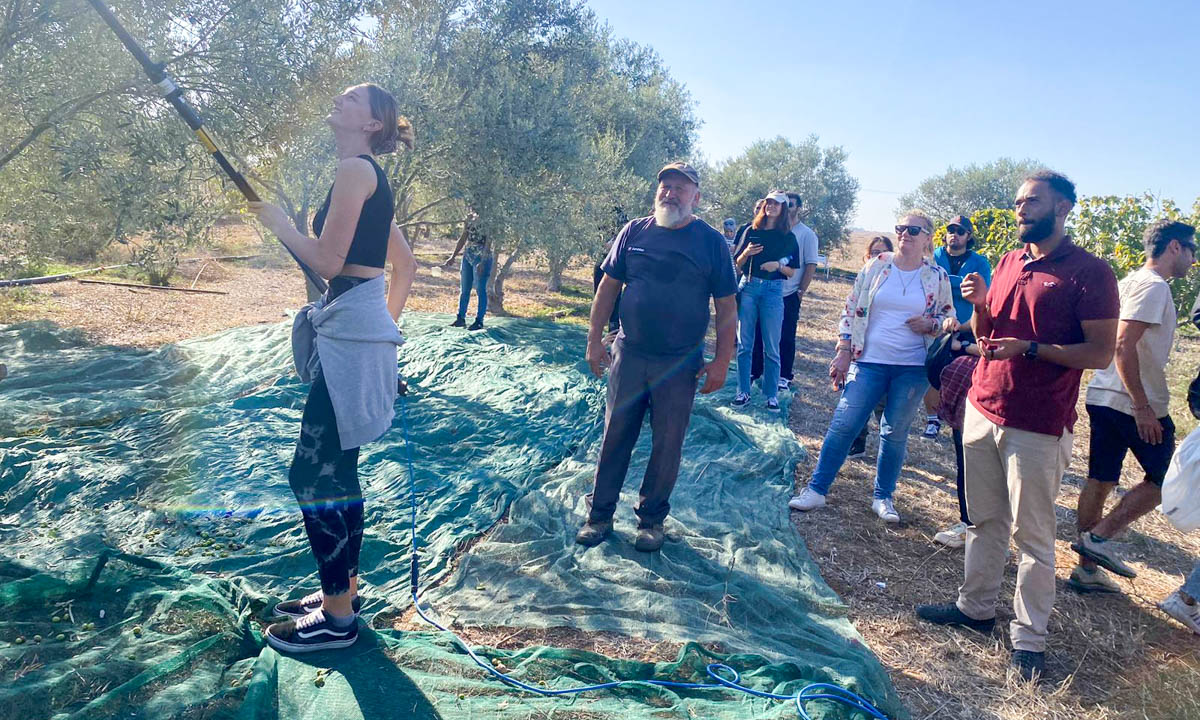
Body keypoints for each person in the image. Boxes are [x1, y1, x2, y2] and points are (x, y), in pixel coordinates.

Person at [916, 171, 1119, 681]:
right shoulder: (1009, 261)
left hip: (1038, 424)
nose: (1021, 209)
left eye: (1032, 201)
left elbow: (1099, 353)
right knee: (983, 521)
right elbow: (985, 332)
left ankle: (1029, 639)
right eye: (1018, 202)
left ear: (1063, 207)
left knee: (1033, 537)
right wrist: (981, 305)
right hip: (982, 409)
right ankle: (975, 609)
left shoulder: (1091, 273)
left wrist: (1030, 348)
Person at [249, 83, 417, 652]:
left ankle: (337, 620)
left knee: (312, 475)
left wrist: (281, 224)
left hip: (352, 332)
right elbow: (406, 266)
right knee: (338, 471)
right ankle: (342, 594)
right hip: (357, 328)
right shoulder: (369, 176)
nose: (339, 102)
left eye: (351, 99)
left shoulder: (353, 171)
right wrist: (382, 330)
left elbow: (326, 260)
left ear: (372, 123)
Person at [577, 162, 738, 552]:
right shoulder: (634, 231)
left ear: (696, 197)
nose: (670, 193)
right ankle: (599, 516)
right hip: (629, 354)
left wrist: (721, 361)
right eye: (665, 186)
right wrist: (594, 340)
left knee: (667, 444)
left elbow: (727, 306)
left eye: (680, 188)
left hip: (680, 363)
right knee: (615, 436)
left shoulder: (711, 243)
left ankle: (651, 521)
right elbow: (608, 288)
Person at [789, 211, 952, 523]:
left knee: (894, 432)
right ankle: (816, 490)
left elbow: (947, 317)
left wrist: (930, 324)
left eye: (913, 230)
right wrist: (843, 350)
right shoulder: (877, 265)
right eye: (900, 228)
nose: (904, 233)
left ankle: (883, 497)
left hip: (912, 367)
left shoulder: (937, 275)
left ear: (928, 237)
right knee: (844, 423)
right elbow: (851, 308)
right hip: (869, 361)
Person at [1068, 220, 1196, 593]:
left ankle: (1086, 570)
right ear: (1175, 247)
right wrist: (1142, 407)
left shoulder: (1127, 281)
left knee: (1101, 478)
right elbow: (1123, 344)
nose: (1193, 260)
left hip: (1104, 394)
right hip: (1131, 400)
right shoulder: (1153, 286)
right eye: (1192, 251)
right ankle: (1099, 539)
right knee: (1166, 479)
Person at [730, 191, 800, 412]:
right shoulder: (751, 230)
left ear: (783, 209)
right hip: (749, 287)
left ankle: (771, 395)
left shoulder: (788, 237)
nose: (771, 206)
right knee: (744, 345)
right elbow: (737, 263)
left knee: (772, 346)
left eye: (776, 204)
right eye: (768, 202)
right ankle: (743, 392)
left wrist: (777, 266)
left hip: (773, 291)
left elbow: (791, 271)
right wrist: (747, 253)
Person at [923, 215, 992, 439]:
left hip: (967, 326)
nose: (954, 234)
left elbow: (982, 293)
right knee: (933, 370)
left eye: (960, 231)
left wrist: (947, 281)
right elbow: (928, 284)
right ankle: (932, 420)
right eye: (951, 230)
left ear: (968, 236)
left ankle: (959, 421)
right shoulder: (934, 256)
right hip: (936, 324)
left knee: (962, 376)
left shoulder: (980, 262)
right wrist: (960, 283)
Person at [750, 192, 819, 391]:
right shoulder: (773, 230)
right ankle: (755, 371)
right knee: (758, 332)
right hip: (765, 290)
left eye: (791, 205)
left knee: (786, 335)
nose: (787, 208)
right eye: (784, 204)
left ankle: (784, 376)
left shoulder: (807, 234)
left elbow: (810, 264)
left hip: (789, 293)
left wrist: (801, 291)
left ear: (798, 208)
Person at [847, 235, 893, 459]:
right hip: (861, 347)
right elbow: (849, 311)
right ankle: (858, 441)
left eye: (883, 252)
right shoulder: (862, 278)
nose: (878, 256)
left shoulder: (895, 281)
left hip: (885, 352)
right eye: (874, 252)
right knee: (858, 400)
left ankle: (888, 447)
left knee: (884, 403)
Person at [443, 210, 492, 330]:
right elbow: (463, 237)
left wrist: (483, 261)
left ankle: (479, 321)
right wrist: (453, 256)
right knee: (465, 289)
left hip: (481, 256)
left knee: (480, 289)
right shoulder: (470, 218)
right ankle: (460, 318)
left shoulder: (489, 218)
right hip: (468, 255)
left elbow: (488, 241)